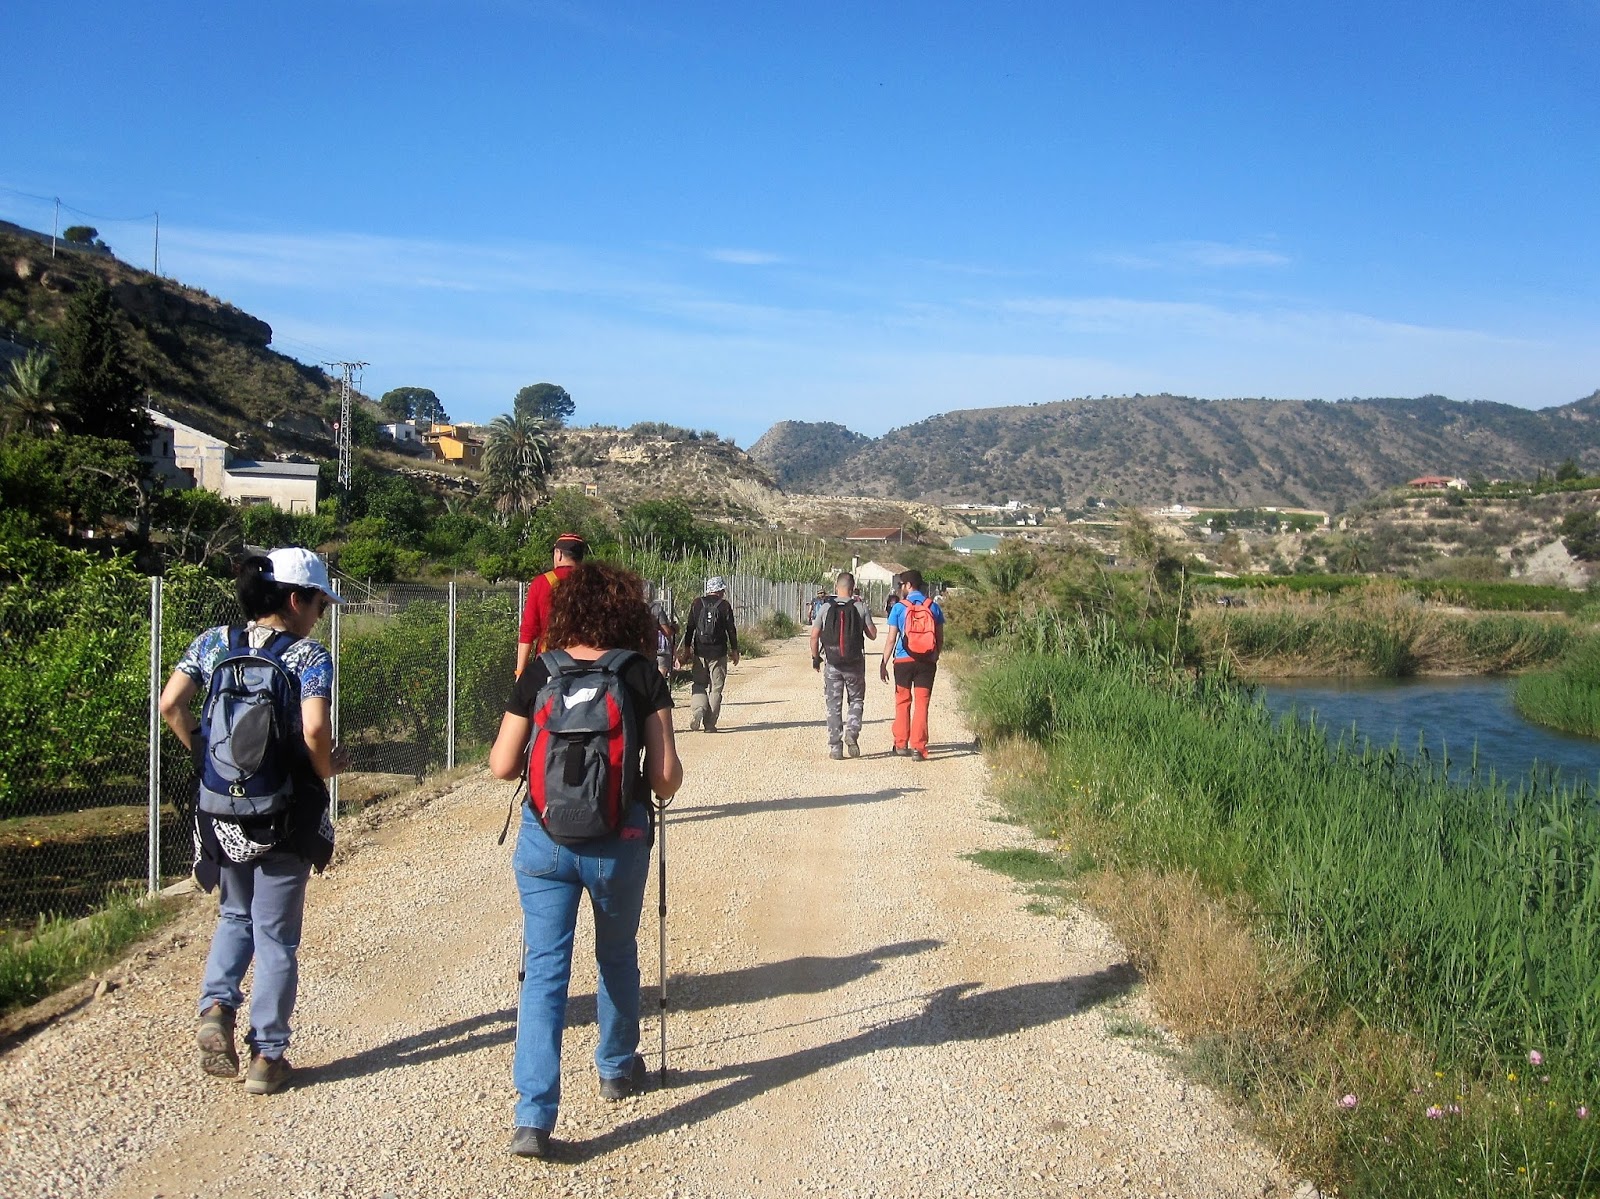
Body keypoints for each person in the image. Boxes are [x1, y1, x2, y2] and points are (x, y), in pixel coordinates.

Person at [489, 563, 683, 1160]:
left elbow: (501, 765)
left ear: (566, 610)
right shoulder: (641, 675)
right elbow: (666, 778)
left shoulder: (540, 672)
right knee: (616, 954)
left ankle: (532, 1116)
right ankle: (616, 1070)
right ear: (628, 612)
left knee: (544, 971)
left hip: (545, 842)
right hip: (618, 843)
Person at [158, 548, 349, 1096]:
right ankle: (268, 1056)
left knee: (234, 915)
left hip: (221, 810)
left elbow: (171, 703)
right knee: (276, 936)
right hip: (284, 813)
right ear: (295, 599)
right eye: (318, 603)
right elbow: (314, 731)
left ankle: (216, 1007)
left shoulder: (212, 643)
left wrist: (206, 758)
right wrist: (325, 769)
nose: (320, 614)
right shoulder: (309, 657)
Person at [809, 571, 876, 759]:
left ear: (836, 588)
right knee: (856, 700)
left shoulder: (825, 608)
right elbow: (873, 634)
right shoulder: (860, 607)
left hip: (832, 663)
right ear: (853, 587)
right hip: (854, 663)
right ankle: (852, 733)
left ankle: (835, 748)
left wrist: (816, 658)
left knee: (833, 705)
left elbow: (814, 636)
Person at [879, 568, 944, 760]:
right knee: (922, 704)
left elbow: (891, 639)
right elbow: (939, 638)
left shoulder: (899, 608)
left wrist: (883, 662)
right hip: (926, 662)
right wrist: (935, 656)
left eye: (901, 585)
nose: (900, 589)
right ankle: (919, 748)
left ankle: (900, 744)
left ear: (908, 585)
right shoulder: (933, 607)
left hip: (903, 661)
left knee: (902, 702)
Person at [515, 533, 588, 677]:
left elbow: (527, 632)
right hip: (587, 667)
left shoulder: (540, 583)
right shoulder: (594, 584)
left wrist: (520, 673)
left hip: (549, 666)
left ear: (558, 554)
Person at [679, 576, 739, 732]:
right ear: (719, 591)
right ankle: (710, 724)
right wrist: (735, 650)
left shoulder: (697, 603)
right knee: (716, 688)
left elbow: (690, 628)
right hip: (718, 652)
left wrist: (687, 648)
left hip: (700, 652)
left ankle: (698, 709)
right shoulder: (724, 606)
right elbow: (731, 630)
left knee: (699, 684)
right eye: (723, 590)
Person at [645, 582, 677, 681]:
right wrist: (674, 628)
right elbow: (666, 631)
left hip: (635, 648)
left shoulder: (632, 607)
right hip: (652, 648)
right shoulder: (656, 608)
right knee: (658, 678)